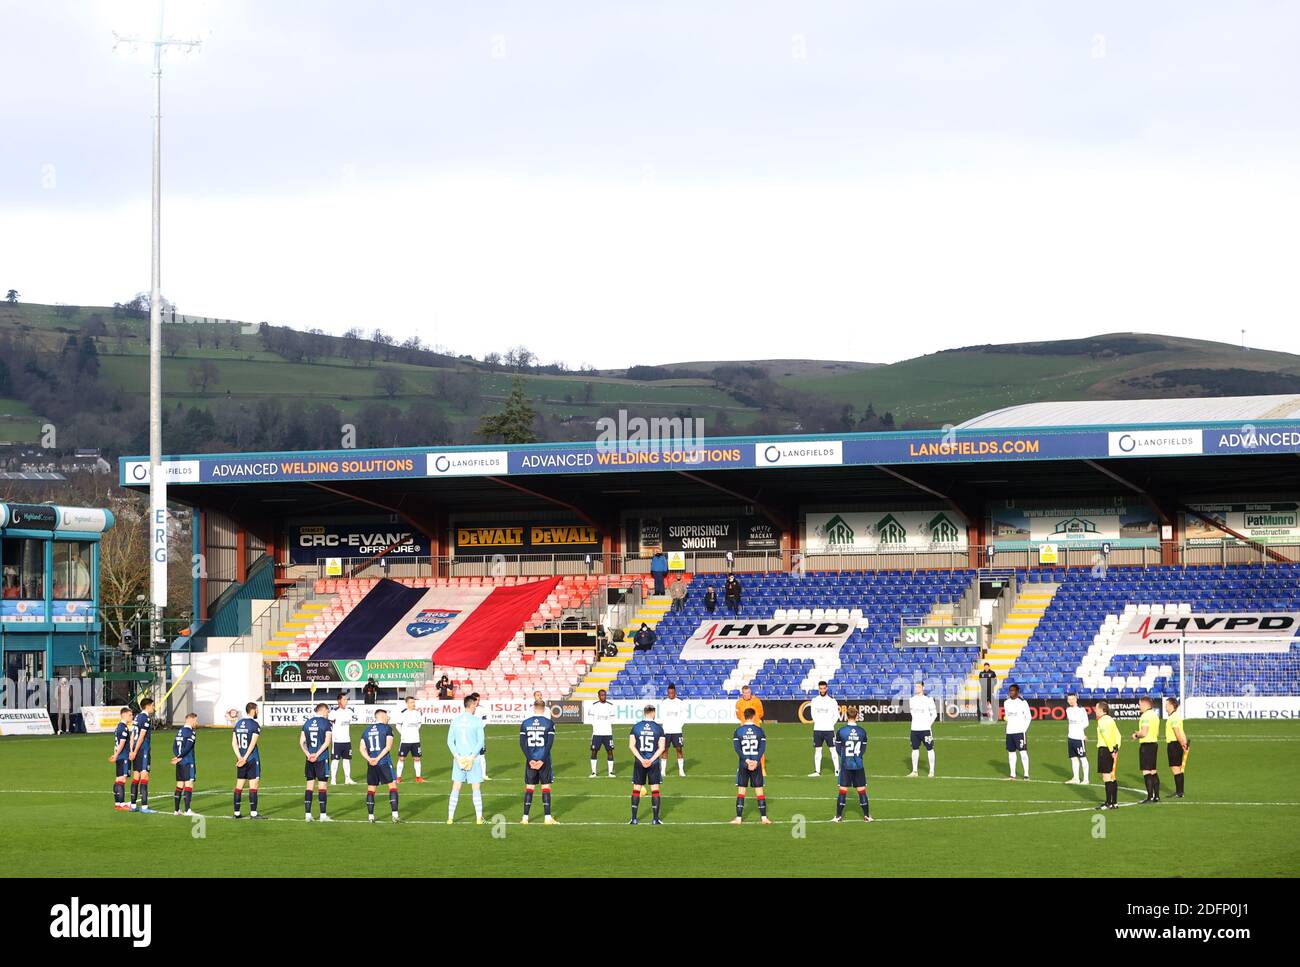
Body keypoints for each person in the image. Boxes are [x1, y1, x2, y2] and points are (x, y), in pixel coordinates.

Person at [447, 694, 486, 824]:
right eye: (475, 704)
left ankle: (450, 818)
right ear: (472, 705)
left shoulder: (455, 720)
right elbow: (480, 741)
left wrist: (457, 756)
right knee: (476, 788)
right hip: (473, 759)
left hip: (459, 759)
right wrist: (472, 756)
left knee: (455, 787)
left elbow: (449, 741)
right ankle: (478, 818)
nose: (476, 707)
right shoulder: (477, 721)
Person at [519, 699, 558, 824]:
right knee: (545, 786)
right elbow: (549, 743)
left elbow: (522, 743)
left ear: (533, 708)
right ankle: (547, 818)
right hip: (544, 759)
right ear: (545, 709)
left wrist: (530, 759)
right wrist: (542, 759)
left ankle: (525, 818)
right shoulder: (549, 723)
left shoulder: (525, 723)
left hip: (530, 760)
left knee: (529, 787)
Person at [731, 708, 770, 825]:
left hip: (743, 764)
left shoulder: (738, 731)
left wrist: (747, 760)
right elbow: (762, 748)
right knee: (759, 791)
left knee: (741, 790)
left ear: (744, 716)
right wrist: (755, 761)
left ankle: (738, 818)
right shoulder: (759, 731)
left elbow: (737, 749)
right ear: (754, 716)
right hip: (756, 764)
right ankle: (764, 818)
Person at [833, 706, 872, 822]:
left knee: (843, 790)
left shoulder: (841, 731)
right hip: (858, 764)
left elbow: (838, 748)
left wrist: (845, 756)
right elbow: (864, 749)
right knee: (861, 790)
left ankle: (838, 816)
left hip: (846, 764)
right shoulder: (862, 732)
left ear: (846, 716)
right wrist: (857, 756)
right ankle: (867, 816)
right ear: (857, 716)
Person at [360, 708, 400, 823]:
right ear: (382, 716)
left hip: (371, 763)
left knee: (371, 789)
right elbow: (388, 747)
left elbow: (362, 748)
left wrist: (369, 759)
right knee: (392, 786)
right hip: (383, 762)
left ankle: (370, 817)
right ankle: (395, 815)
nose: (388, 718)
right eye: (387, 716)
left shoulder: (366, 731)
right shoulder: (387, 728)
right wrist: (377, 758)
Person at [628, 705, 665, 825]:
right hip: (653, 762)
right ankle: (655, 819)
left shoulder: (636, 727)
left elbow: (631, 746)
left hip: (639, 762)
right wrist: (651, 760)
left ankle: (634, 819)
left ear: (644, 713)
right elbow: (662, 747)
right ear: (653, 712)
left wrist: (641, 759)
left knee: (636, 788)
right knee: (655, 789)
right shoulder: (658, 728)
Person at [300, 702, 333, 822]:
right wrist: (317, 754)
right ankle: (323, 816)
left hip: (309, 759)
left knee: (309, 786)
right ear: (323, 710)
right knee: (322, 786)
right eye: (327, 711)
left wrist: (308, 754)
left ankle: (307, 815)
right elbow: (327, 742)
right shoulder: (326, 723)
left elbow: (301, 742)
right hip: (321, 758)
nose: (328, 713)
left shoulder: (307, 723)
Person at [232, 702, 263, 819]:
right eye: (257, 710)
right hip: (251, 759)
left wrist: (239, 757)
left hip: (240, 759)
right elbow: (252, 743)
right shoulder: (255, 725)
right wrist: (245, 758)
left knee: (239, 785)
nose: (258, 712)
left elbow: (234, 743)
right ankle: (253, 813)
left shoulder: (238, 724)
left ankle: (236, 813)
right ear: (253, 710)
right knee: (253, 785)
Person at [808, 681, 841, 777]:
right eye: (820, 688)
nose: (822, 690)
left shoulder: (832, 701)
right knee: (818, 750)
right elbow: (813, 714)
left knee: (833, 749)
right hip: (817, 729)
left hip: (829, 730)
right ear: (819, 689)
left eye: (824, 688)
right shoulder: (814, 700)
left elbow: (836, 715)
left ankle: (837, 771)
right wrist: (819, 722)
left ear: (827, 688)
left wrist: (830, 724)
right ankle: (817, 771)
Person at [1133, 695, 1161, 803]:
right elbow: (1157, 732)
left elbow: (1144, 733)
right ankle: (1157, 796)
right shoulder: (1155, 715)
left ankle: (1149, 796)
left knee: (1146, 771)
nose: (1139, 706)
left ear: (1145, 704)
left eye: (1140, 704)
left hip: (1146, 745)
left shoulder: (1145, 716)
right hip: (1154, 743)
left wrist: (1136, 735)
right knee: (1153, 770)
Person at [128, 698, 154, 813]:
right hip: (143, 750)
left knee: (136, 777)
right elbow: (141, 736)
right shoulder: (146, 718)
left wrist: (131, 750)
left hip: (135, 749)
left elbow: (133, 734)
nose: (154, 707)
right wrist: (135, 750)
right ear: (148, 706)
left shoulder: (137, 717)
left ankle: (133, 806)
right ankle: (144, 807)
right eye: (153, 705)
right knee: (144, 777)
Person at [1094, 701, 1122, 810]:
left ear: (1101, 710)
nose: (1095, 710)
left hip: (1105, 749)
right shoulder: (1111, 720)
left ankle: (1108, 802)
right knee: (1112, 776)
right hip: (1112, 748)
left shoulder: (1101, 721)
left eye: (1096, 708)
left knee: (1106, 777)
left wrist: (1111, 750)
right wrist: (1116, 748)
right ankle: (1114, 802)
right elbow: (1118, 735)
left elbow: (1106, 736)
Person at [170, 712, 199, 816]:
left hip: (180, 762)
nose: (197, 723)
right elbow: (188, 747)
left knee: (179, 785)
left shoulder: (180, 731)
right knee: (189, 784)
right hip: (188, 761)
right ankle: (187, 810)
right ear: (191, 720)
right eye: (196, 720)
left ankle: (176, 810)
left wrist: (177, 757)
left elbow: (174, 746)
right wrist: (180, 756)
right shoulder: (191, 732)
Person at [907, 682, 937, 778]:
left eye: (919, 686)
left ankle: (931, 771)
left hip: (926, 730)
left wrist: (928, 724)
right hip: (914, 729)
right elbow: (913, 714)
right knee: (914, 748)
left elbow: (934, 714)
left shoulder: (928, 700)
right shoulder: (911, 700)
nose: (917, 688)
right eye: (916, 687)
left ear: (923, 688)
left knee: (930, 748)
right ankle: (914, 771)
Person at [735, 685, 766, 775]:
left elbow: (761, 713)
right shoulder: (739, 703)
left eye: (748, 692)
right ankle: (744, 766)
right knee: (744, 748)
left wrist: (753, 719)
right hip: (743, 728)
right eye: (745, 693)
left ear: (750, 692)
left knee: (758, 747)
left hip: (755, 727)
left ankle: (762, 768)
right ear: (742, 693)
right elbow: (738, 715)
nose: (747, 695)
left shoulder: (756, 701)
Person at [394, 695, 425, 783]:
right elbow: (398, 725)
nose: (413, 704)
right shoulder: (403, 713)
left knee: (417, 758)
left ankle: (418, 777)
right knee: (402, 758)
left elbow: (419, 724)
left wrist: (414, 732)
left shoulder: (417, 713)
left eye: (414, 702)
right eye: (411, 702)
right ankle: (398, 778)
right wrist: (403, 734)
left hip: (415, 740)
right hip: (405, 740)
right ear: (407, 703)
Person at [328, 692, 357, 785]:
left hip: (347, 740)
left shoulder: (349, 712)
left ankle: (347, 778)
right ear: (339, 701)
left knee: (347, 759)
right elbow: (329, 725)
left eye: (346, 699)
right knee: (335, 760)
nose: (346, 701)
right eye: (344, 699)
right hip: (337, 741)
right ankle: (333, 779)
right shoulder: (334, 712)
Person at [1003, 684, 1031, 779]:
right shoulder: (1006, 702)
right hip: (1009, 731)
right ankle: (1012, 774)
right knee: (1011, 753)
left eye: (1013, 690)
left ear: (1017, 691)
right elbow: (1007, 716)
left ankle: (1026, 774)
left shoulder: (1023, 702)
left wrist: (1024, 729)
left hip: (1020, 732)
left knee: (1023, 752)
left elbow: (1029, 717)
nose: (1011, 692)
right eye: (1010, 690)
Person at [659, 684, 687, 779]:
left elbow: (684, 715)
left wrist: (679, 725)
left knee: (679, 749)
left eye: (672, 692)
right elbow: (662, 715)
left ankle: (681, 770)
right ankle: (663, 771)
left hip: (677, 730)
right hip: (666, 730)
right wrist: (663, 726)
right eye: (669, 692)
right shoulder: (664, 703)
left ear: (675, 692)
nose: (670, 694)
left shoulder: (680, 702)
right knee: (664, 750)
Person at [109, 707, 133, 811]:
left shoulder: (119, 727)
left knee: (118, 779)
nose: (132, 717)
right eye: (130, 715)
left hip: (119, 756)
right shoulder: (123, 728)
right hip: (123, 757)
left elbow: (116, 744)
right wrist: (116, 755)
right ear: (124, 715)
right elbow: (122, 743)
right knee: (122, 780)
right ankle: (122, 804)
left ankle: (117, 803)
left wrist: (115, 754)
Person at [589, 688, 617, 777]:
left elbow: (612, 719)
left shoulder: (610, 705)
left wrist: (606, 724)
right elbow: (591, 718)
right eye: (601, 695)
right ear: (598, 696)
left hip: (607, 733)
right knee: (594, 751)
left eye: (604, 695)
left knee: (610, 751)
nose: (603, 696)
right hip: (597, 733)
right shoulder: (594, 705)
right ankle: (593, 772)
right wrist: (596, 726)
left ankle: (610, 772)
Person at [1164, 697, 1189, 799]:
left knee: (1175, 768)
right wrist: (1184, 743)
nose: (1165, 706)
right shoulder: (1176, 717)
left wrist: (1182, 743)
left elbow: (1177, 732)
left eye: (1166, 704)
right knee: (1177, 768)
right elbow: (1181, 732)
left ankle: (1179, 792)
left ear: (1171, 705)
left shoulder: (1173, 718)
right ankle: (1180, 791)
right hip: (1177, 744)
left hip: (1174, 744)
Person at [1065, 692, 1089, 785]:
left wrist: (1081, 731)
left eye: (1072, 699)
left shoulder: (1081, 710)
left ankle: (1086, 779)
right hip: (1070, 737)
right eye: (1069, 699)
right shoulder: (1068, 710)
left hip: (1079, 738)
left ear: (1076, 699)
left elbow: (1086, 723)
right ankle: (1076, 778)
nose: (1071, 701)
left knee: (1083, 758)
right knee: (1073, 758)